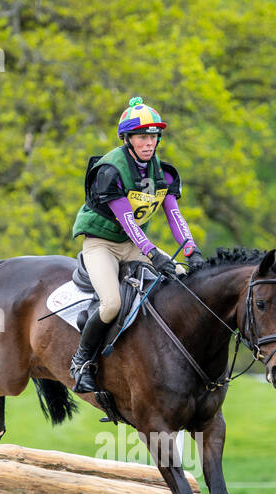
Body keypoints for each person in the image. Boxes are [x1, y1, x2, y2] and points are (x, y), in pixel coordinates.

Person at [69, 97, 199, 393]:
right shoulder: (110, 170)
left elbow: (174, 216)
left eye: (153, 136)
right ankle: (81, 361)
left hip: (134, 244)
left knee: (184, 280)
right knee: (112, 303)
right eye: (142, 136)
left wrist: (191, 249)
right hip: (101, 245)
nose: (149, 142)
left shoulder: (162, 174)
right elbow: (127, 220)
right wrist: (154, 254)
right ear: (126, 139)